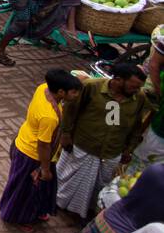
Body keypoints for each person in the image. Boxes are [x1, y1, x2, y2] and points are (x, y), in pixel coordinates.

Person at [56, 63, 152, 220]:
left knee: (99, 185)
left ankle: (86, 212)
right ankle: (60, 204)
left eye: (138, 87)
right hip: (83, 145)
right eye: (133, 86)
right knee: (69, 180)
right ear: (118, 80)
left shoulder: (139, 98)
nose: (137, 90)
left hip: (111, 152)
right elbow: (70, 110)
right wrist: (65, 134)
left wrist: (129, 149)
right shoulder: (91, 87)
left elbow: (136, 126)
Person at [0, 67, 83, 229]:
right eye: (73, 92)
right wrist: (45, 169)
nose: (76, 96)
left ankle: (35, 211)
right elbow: (43, 145)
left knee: (36, 188)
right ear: (61, 92)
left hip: (26, 143)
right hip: (33, 155)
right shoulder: (48, 117)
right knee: (25, 190)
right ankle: (18, 218)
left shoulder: (43, 88)